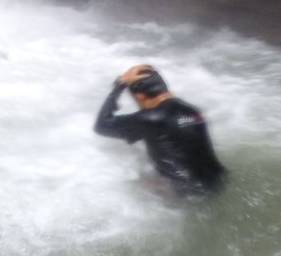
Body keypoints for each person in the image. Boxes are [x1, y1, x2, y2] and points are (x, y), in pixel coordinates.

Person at [93, 64, 227, 196]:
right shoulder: (193, 111)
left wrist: (119, 86)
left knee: (128, 185)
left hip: (188, 196)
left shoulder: (151, 119)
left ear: (140, 96)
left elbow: (101, 126)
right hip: (218, 183)